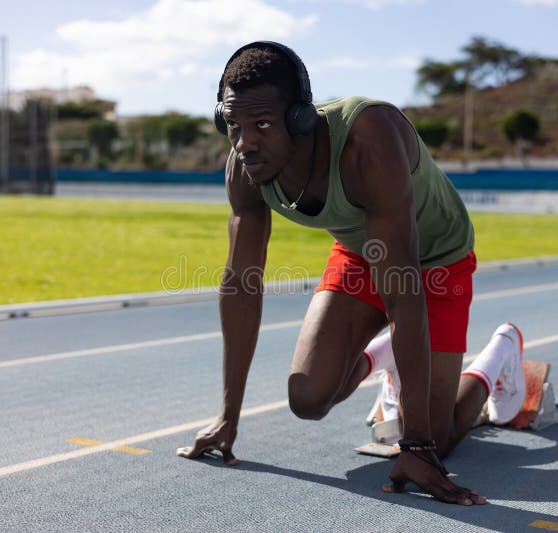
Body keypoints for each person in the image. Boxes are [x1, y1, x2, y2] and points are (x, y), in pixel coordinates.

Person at [177, 41, 526, 506]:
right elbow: (241, 285)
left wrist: (416, 447)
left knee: (435, 440)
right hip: (362, 254)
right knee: (307, 398)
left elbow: (405, 293)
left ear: (300, 119)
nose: (245, 142)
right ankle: (384, 356)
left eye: (262, 124)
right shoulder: (246, 167)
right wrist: (228, 416)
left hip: (436, 260)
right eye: (234, 126)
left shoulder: (369, 140)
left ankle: (494, 362)